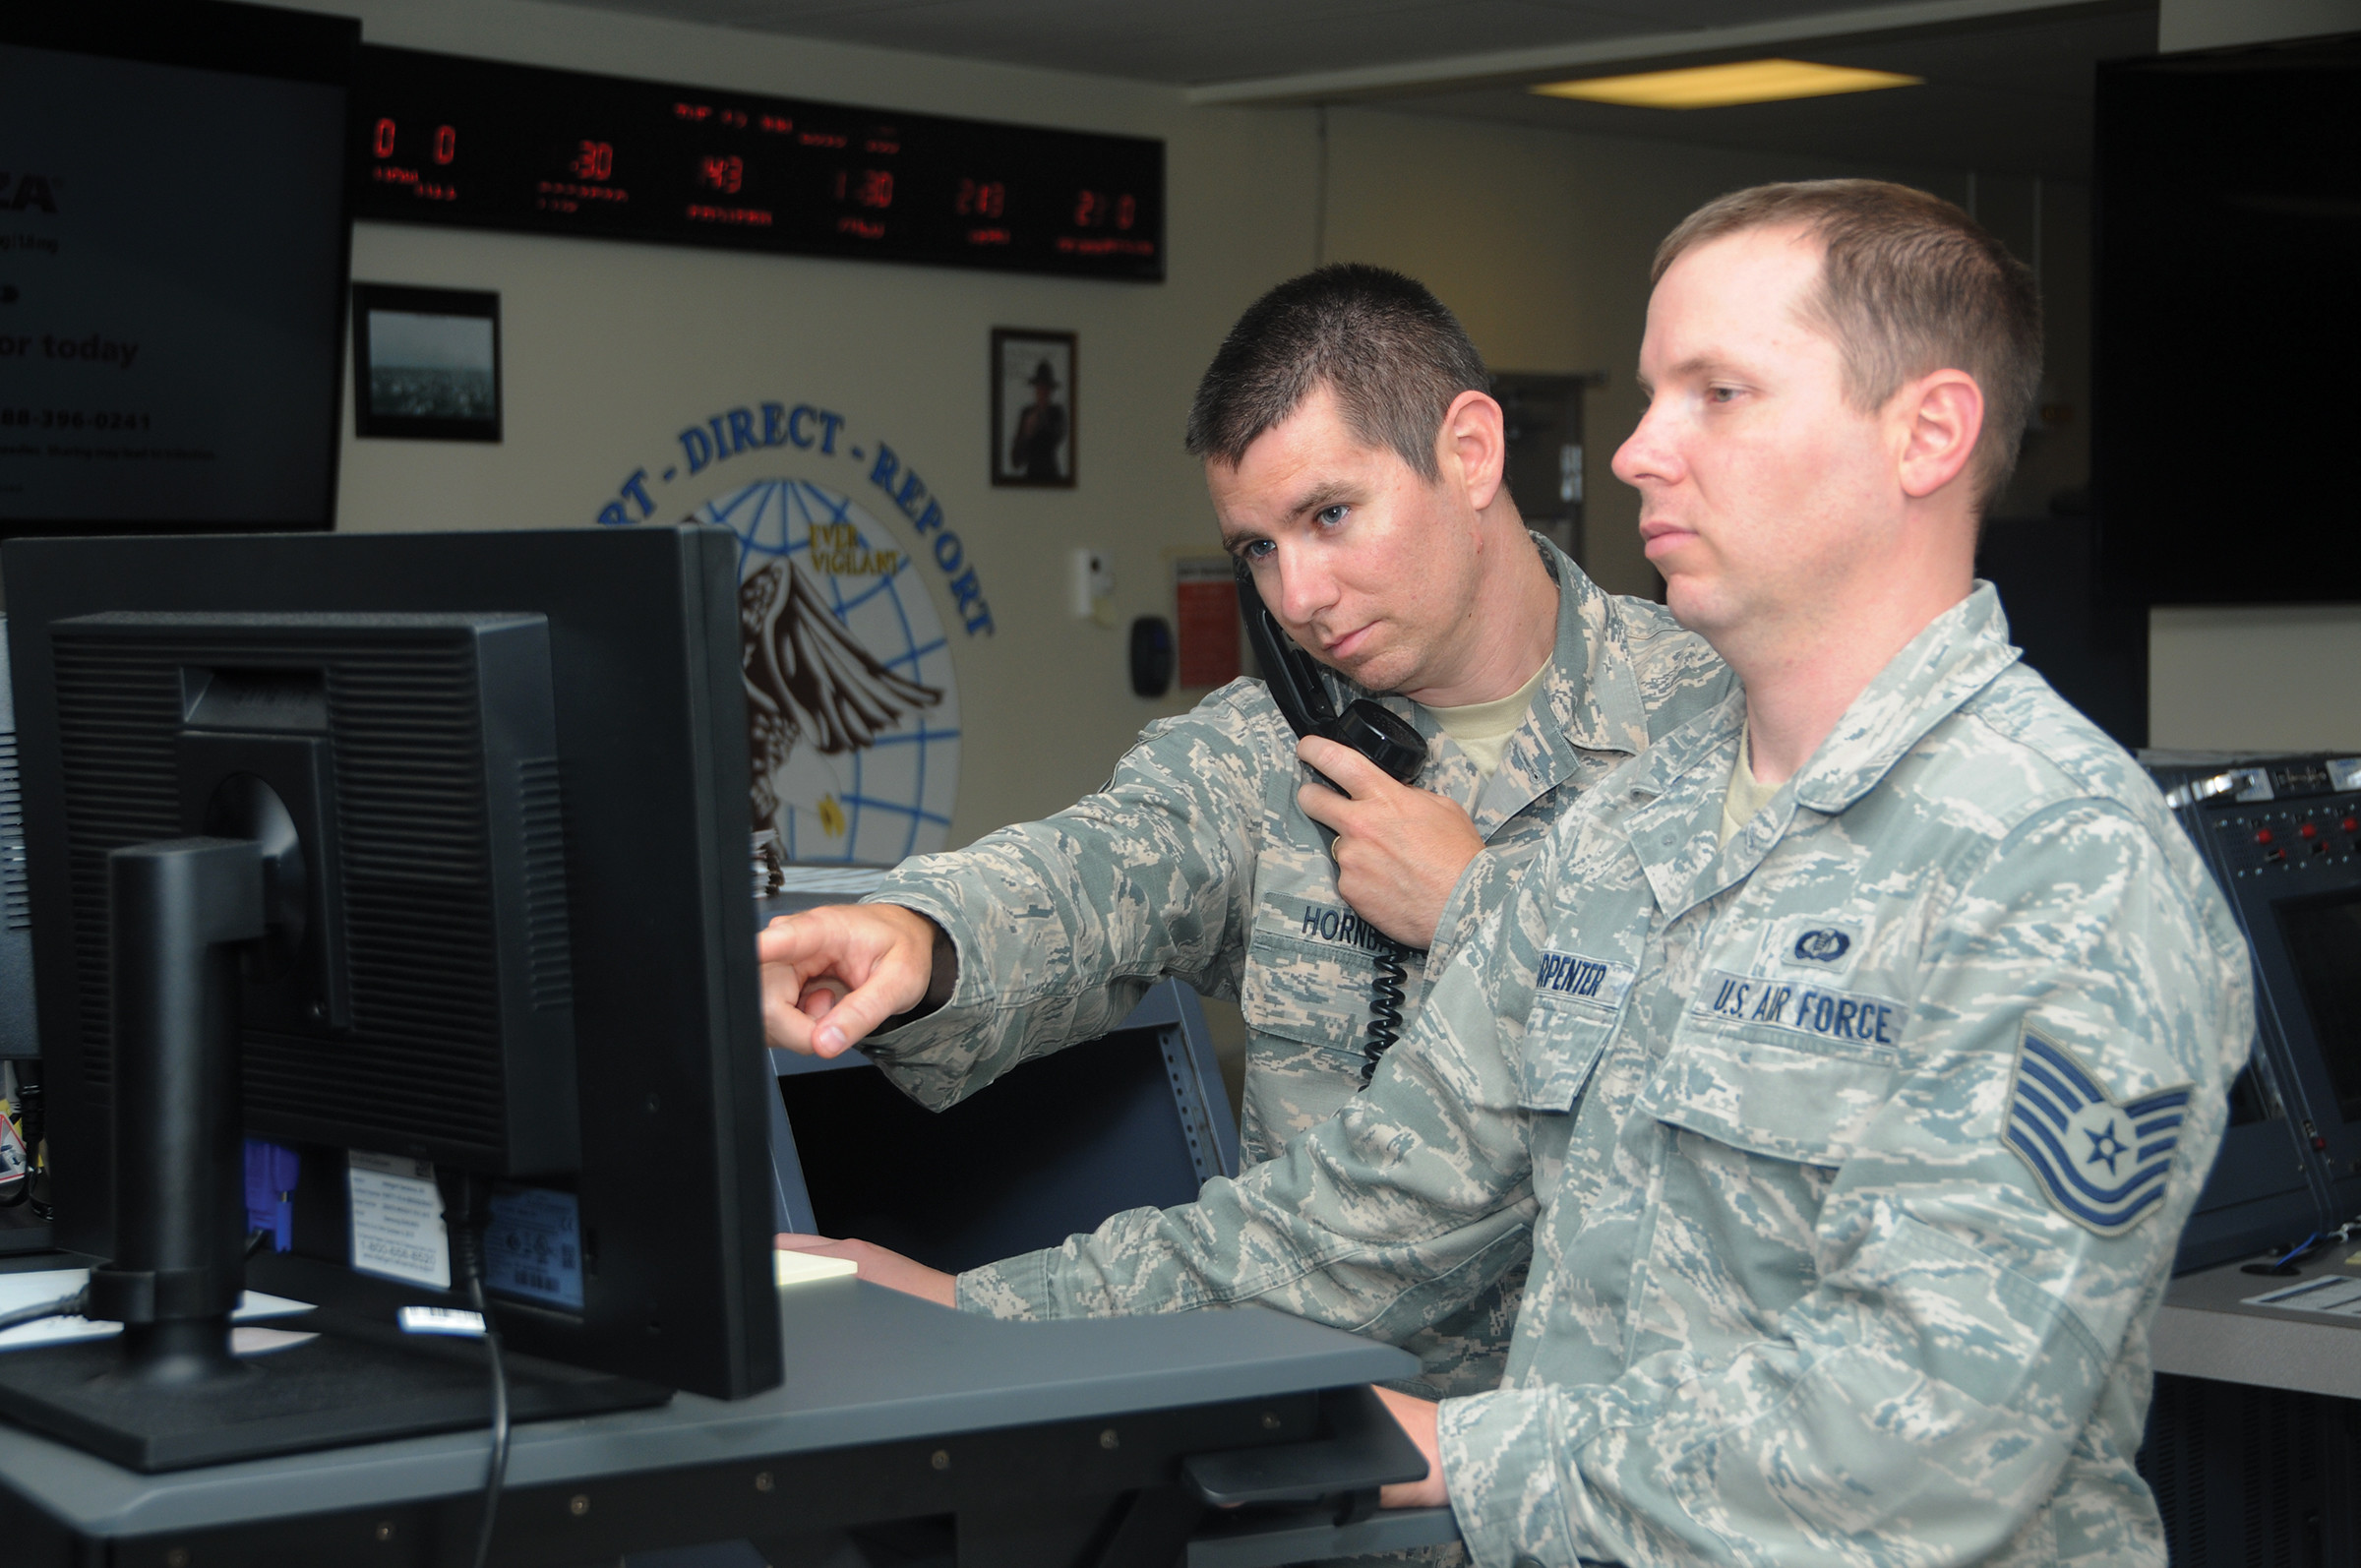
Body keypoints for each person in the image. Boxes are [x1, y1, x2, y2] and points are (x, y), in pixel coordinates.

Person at [788, 182, 2256, 1565]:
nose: (1634, 448)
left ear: (1927, 434)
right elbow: (1367, 1220)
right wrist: (980, 1324)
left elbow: (1935, 1441)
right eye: (1653, 390)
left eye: (1718, 393)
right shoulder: (1638, 834)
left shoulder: (2064, 866)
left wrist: (1458, 1450)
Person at [761, 263, 1733, 1400]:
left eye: (1329, 515)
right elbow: (1101, 868)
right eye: (1258, 547)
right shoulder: (1276, 742)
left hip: (1585, 1470)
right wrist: (922, 938)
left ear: (1471, 451)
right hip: (1303, 1445)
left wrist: (1481, 906)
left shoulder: (1714, 723)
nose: (1298, 595)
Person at [1009, 358, 1068, 481]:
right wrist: (1027, 432)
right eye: (1039, 387)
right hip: (1031, 474)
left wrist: (1043, 417)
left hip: (1051, 474)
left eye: (1045, 388)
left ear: (1050, 391)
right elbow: (1016, 460)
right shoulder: (1026, 413)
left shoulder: (1056, 413)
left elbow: (1058, 436)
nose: (1042, 392)